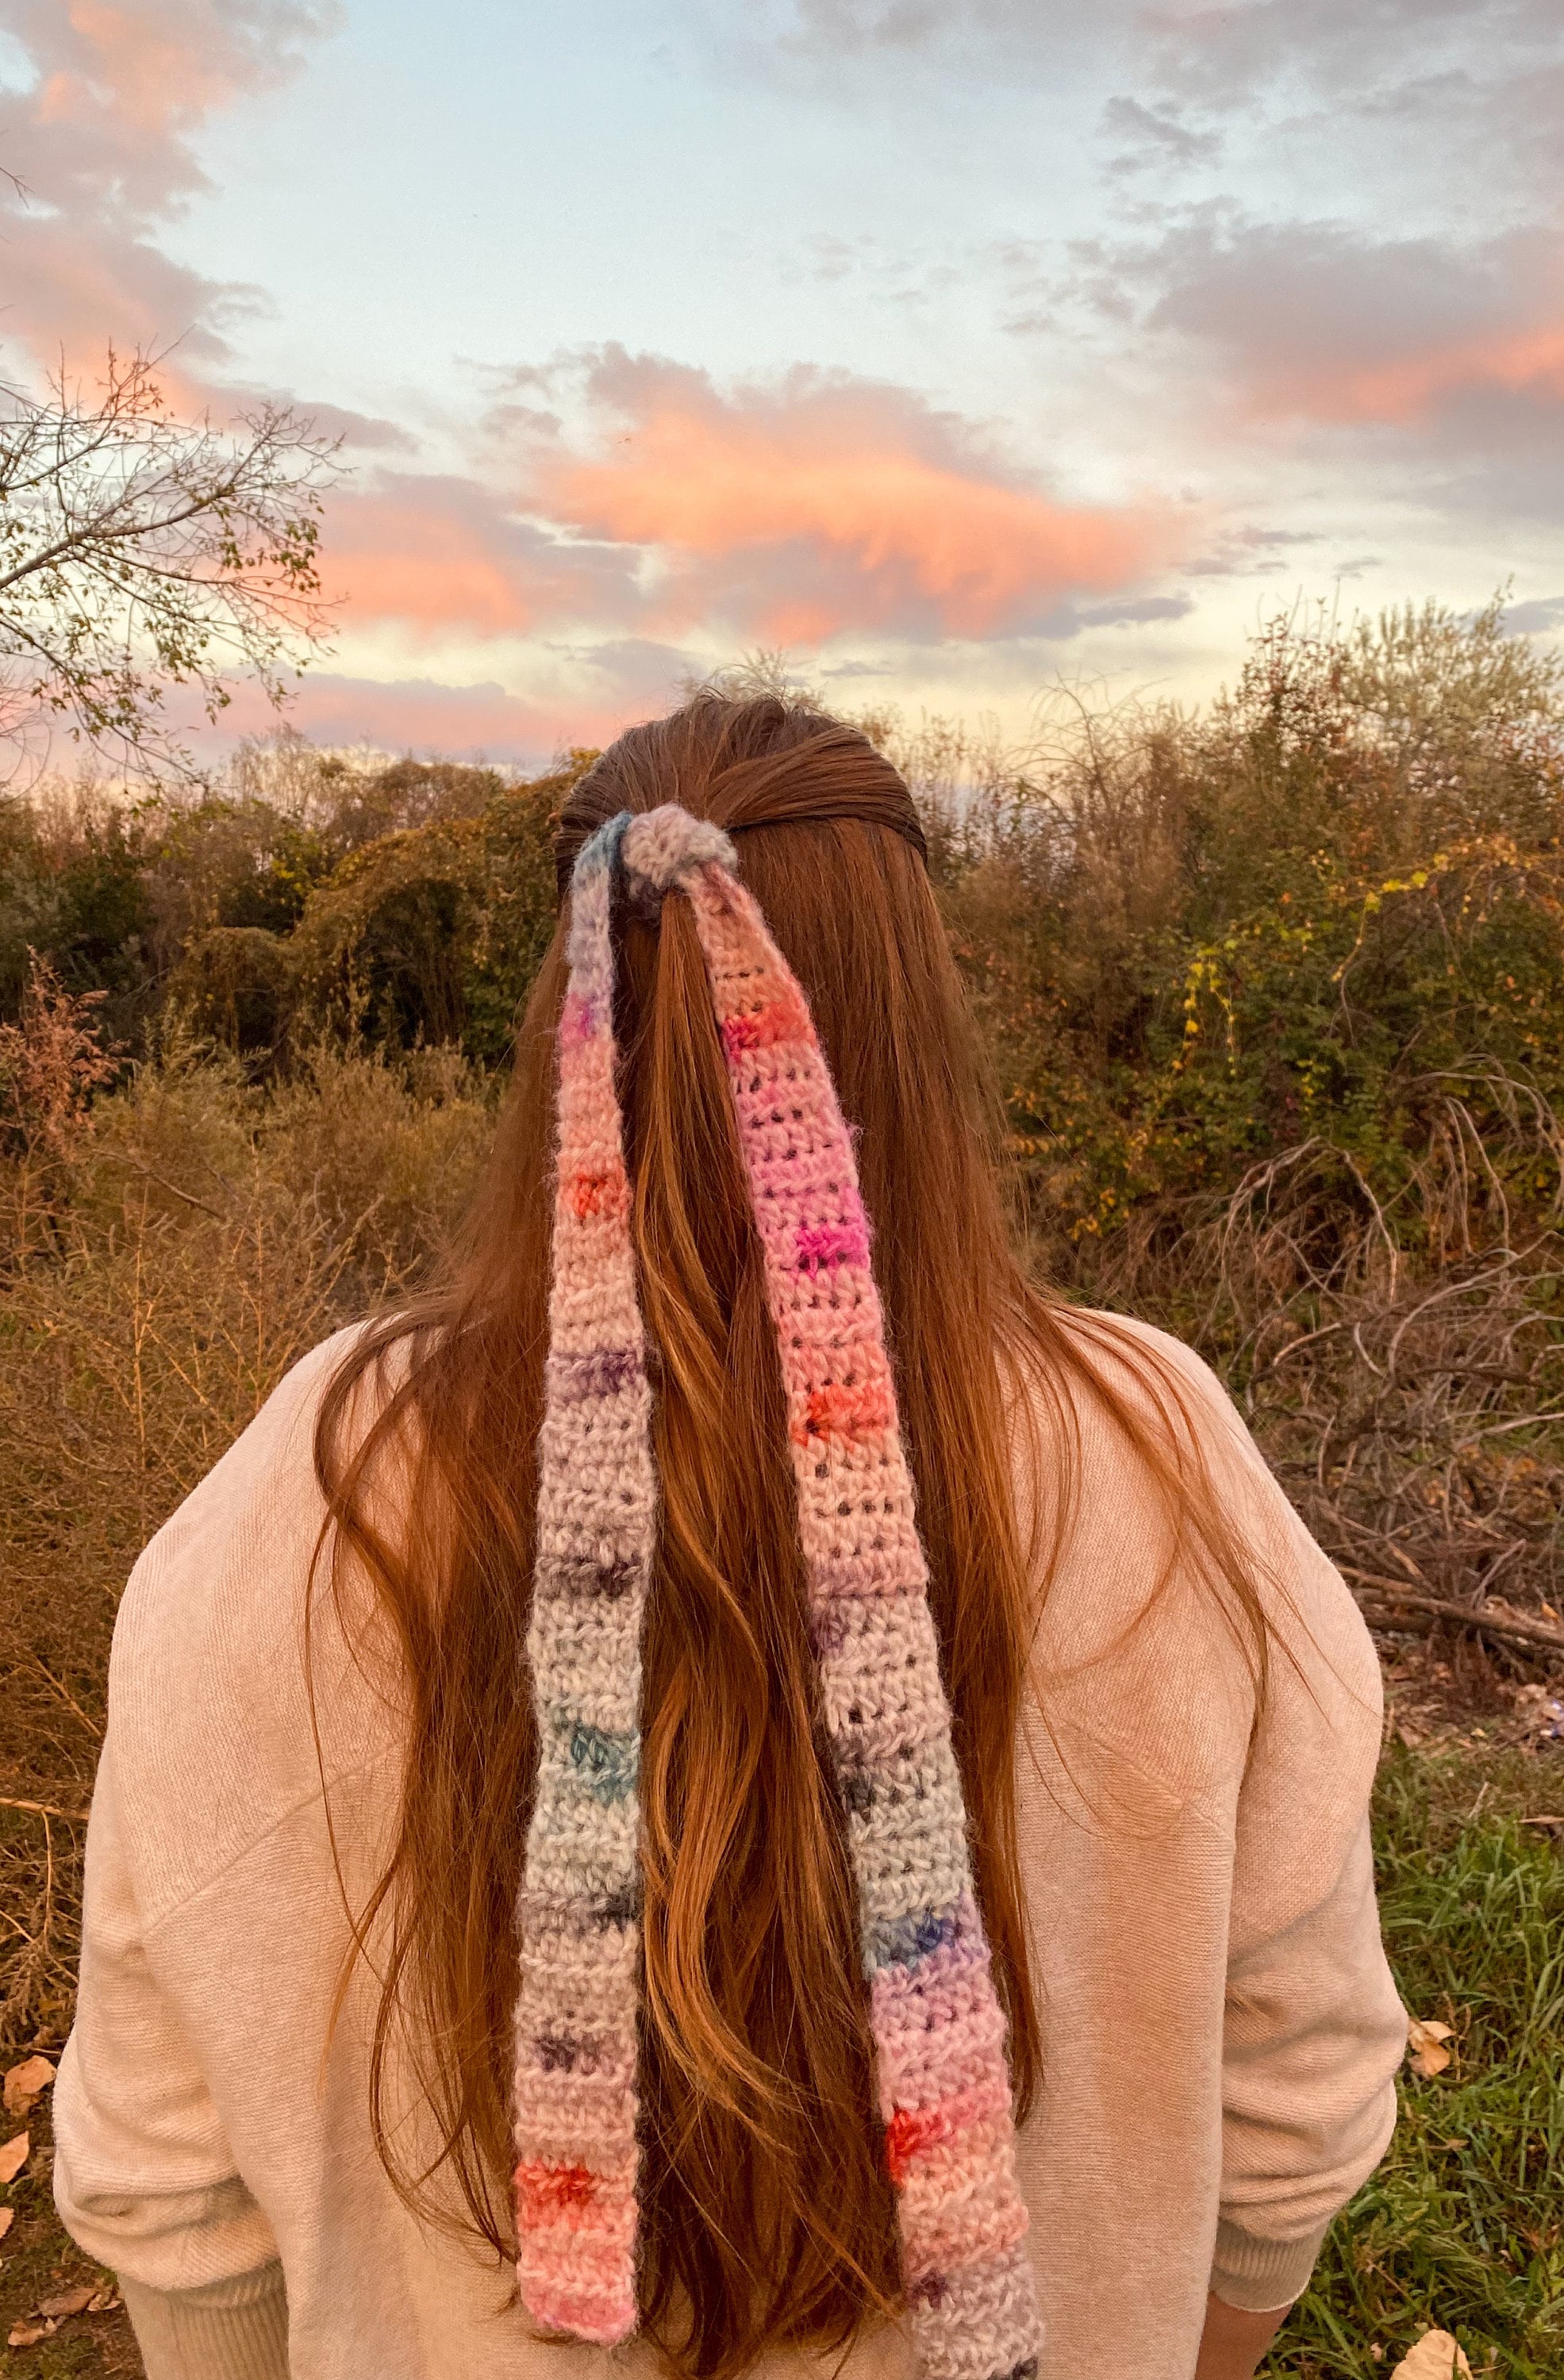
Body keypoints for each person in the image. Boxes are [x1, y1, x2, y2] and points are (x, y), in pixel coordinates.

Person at [54, 695, 1407, 2380]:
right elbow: (1297, 2103)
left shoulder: (313, 1489)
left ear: (564, 1000)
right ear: (920, 1028)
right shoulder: (1158, 1452)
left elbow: (165, 2185)